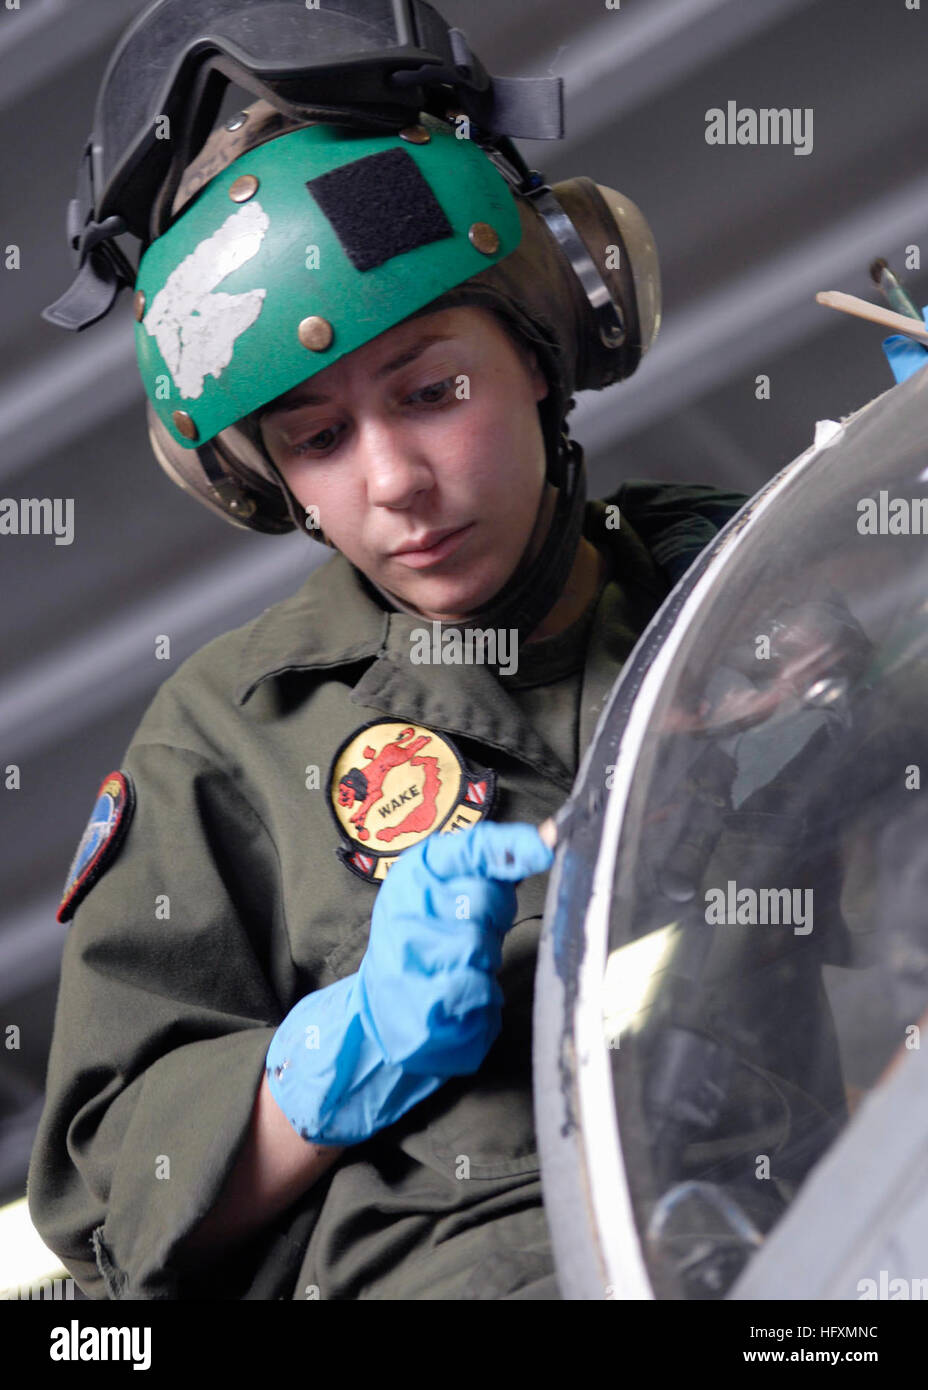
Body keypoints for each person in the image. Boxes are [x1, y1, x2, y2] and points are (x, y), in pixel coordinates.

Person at [27, 0, 750, 1300]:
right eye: (315, 439)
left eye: (432, 393)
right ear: (263, 482)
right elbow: (106, 1198)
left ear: (547, 345)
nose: (394, 483)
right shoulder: (229, 731)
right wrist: (341, 1052)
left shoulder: (747, 583)